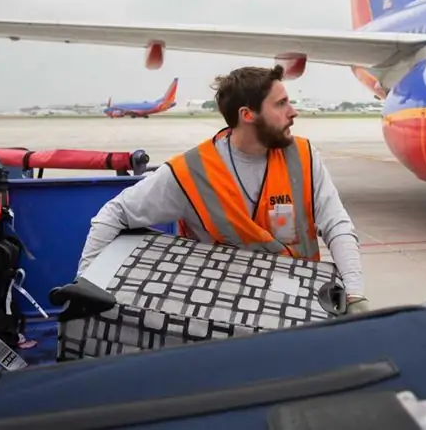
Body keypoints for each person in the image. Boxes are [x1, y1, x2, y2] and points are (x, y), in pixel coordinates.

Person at [77, 65, 369, 314]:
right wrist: (85, 285)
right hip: (223, 317)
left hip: (296, 309)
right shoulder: (190, 173)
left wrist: (354, 294)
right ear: (248, 115)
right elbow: (114, 214)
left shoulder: (303, 156)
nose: (293, 112)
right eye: (280, 104)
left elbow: (337, 224)